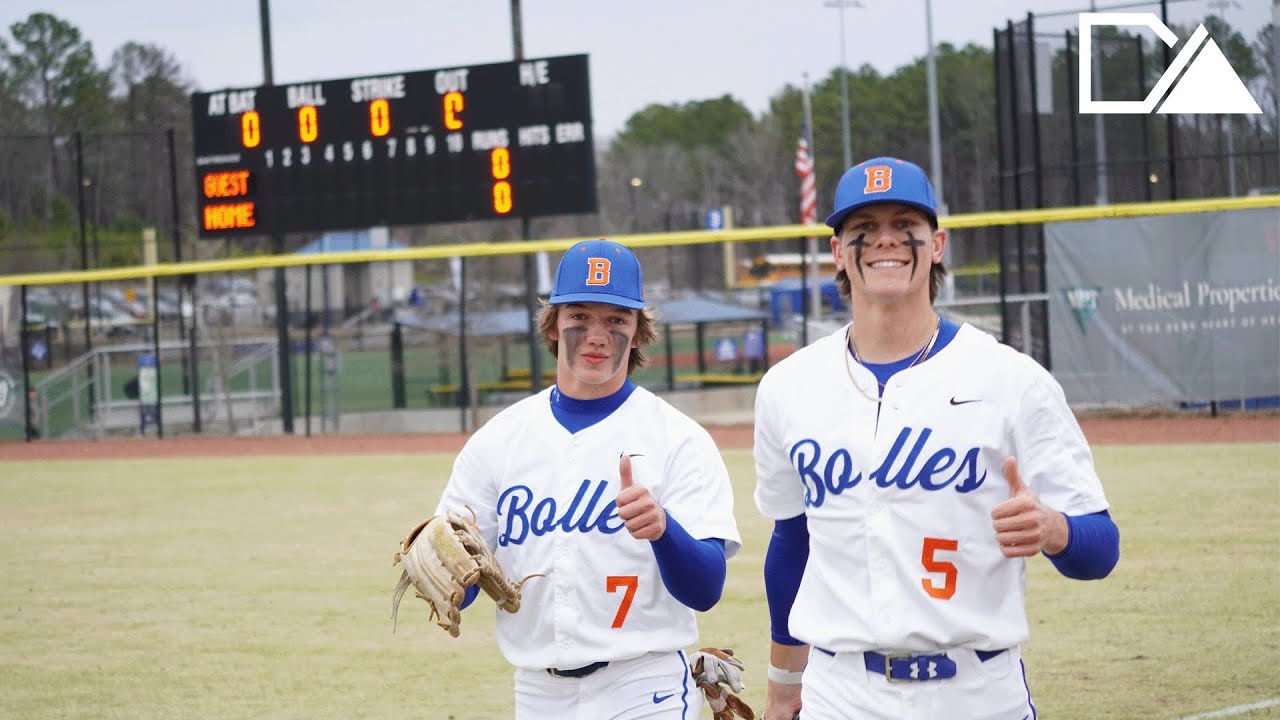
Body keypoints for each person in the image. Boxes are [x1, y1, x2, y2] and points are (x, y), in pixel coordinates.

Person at [753, 157, 1120, 720]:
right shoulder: (788, 386)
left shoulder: (1011, 379)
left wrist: (1054, 529)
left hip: (977, 691)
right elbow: (792, 542)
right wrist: (783, 680)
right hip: (840, 693)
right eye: (864, 230)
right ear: (838, 252)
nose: (886, 242)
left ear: (937, 243)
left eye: (905, 225)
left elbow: (1100, 550)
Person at [430, 238, 744, 719]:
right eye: (580, 316)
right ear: (553, 324)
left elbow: (706, 589)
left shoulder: (678, 439)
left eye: (616, 320)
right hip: (537, 689)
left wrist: (663, 530)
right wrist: (445, 571)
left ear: (639, 332)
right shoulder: (499, 440)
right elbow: (464, 583)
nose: (597, 334)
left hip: (644, 684)